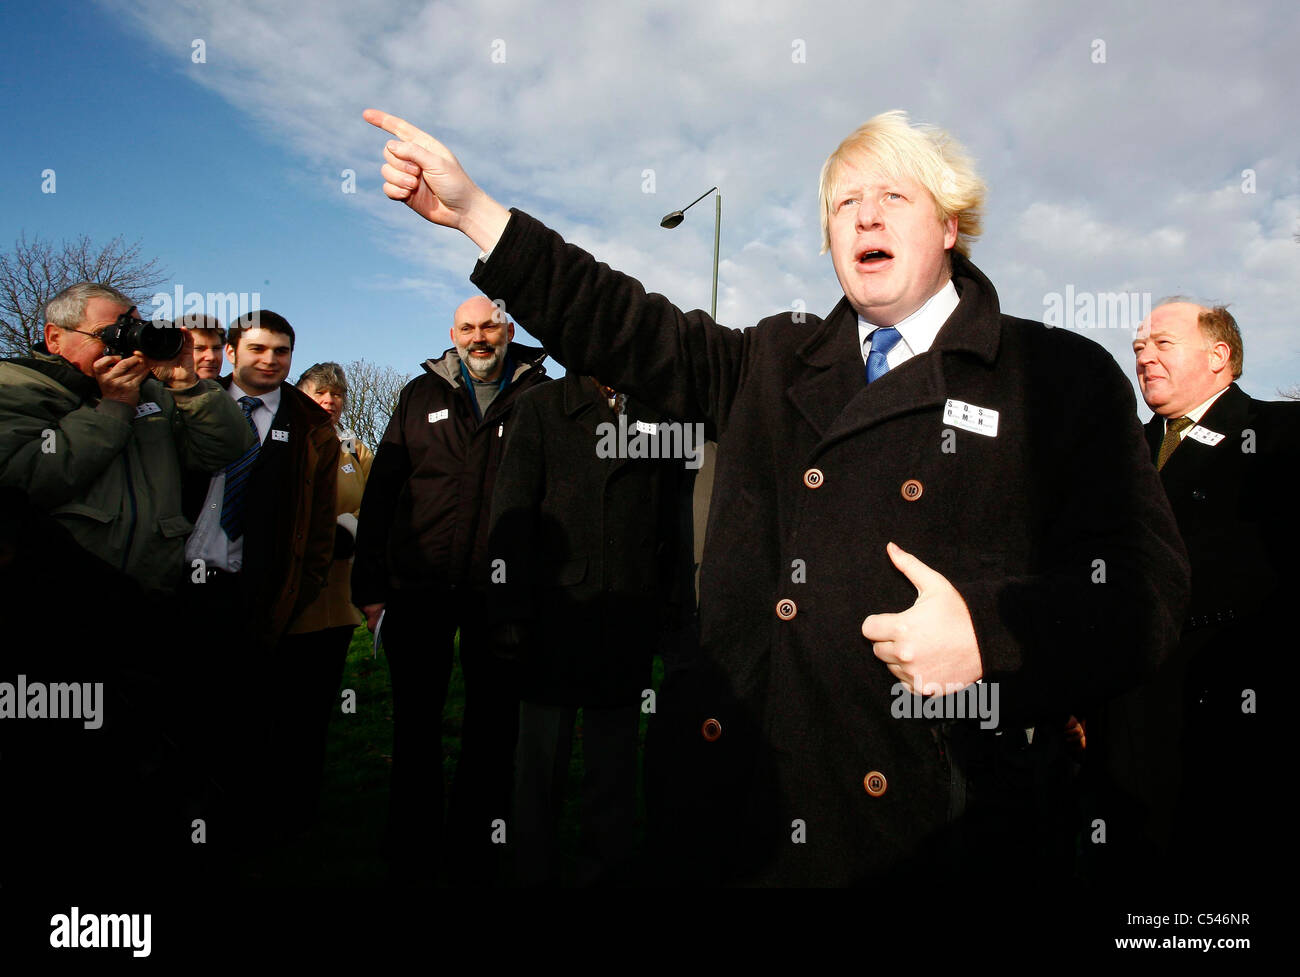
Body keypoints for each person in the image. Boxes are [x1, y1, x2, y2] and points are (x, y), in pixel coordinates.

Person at [363, 107, 1190, 888]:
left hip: (932, 825)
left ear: (949, 225)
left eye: (894, 196)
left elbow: (1145, 587)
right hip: (742, 808)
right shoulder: (772, 359)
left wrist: (989, 633)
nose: (865, 217)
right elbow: (626, 323)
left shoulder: (1056, 378)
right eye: (844, 203)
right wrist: (477, 215)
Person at [0, 281, 254, 881]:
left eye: (135, 326)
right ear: (55, 337)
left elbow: (227, 447)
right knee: (61, 770)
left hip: (149, 603)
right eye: (111, 331)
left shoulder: (153, 393)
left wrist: (186, 385)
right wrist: (111, 408)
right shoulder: (17, 387)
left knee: (143, 759)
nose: (128, 341)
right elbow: (24, 479)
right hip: (50, 617)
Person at [1087, 300, 1298, 892]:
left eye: (1162, 343)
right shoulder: (1113, 454)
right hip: (1120, 725)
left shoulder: (1282, 435)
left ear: (1218, 356)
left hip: (1234, 720)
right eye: (1138, 347)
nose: (1144, 357)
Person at [352, 295, 549, 884]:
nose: (478, 337)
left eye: (489, 326)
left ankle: (476, 851)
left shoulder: (540, 394)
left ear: (508, 330)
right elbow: (382, 493)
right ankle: (410, 849)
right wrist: (370, 586)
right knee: (415, 723)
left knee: (494, 727)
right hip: (418, 586)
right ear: (453, 333)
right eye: (467, 328)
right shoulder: (419, 394)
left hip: (503, 594)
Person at [489, 374, 690, 886]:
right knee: (539, 765)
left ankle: (605, 871)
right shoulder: (540, 406)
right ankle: (531, 870)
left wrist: (667, 601)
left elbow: (670, 515)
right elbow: (512, 510)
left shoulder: (658, 411)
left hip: (626, 613)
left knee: (614, 765)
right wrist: (509, 608)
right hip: (553, 616)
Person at [183, 310, 339, 846]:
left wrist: (300, 587)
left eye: (281, 351)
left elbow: (321, 524)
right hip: (182, 579)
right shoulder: (190, 402)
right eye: (257, 349)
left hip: (259, 590)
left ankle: (243, 831)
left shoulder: (312, 426)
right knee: (183, 712)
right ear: (231, 352)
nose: (270, 360)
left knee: (249, 717)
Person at [276, 361, 375, 826]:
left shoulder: (355, 448)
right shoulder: (281, 439)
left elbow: (377, 505)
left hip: (338, 596)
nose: (329, 401)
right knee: (281, 702)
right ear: (301, 395)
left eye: (336, 394)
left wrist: (350, 528)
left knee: (318, 704)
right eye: (319, 393)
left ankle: (306, 802)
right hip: (289, 595)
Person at [181, 312, 227, 380]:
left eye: (216, 348)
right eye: (199, 348)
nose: (211, 357)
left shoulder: (233, 386)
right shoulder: (163, 386)